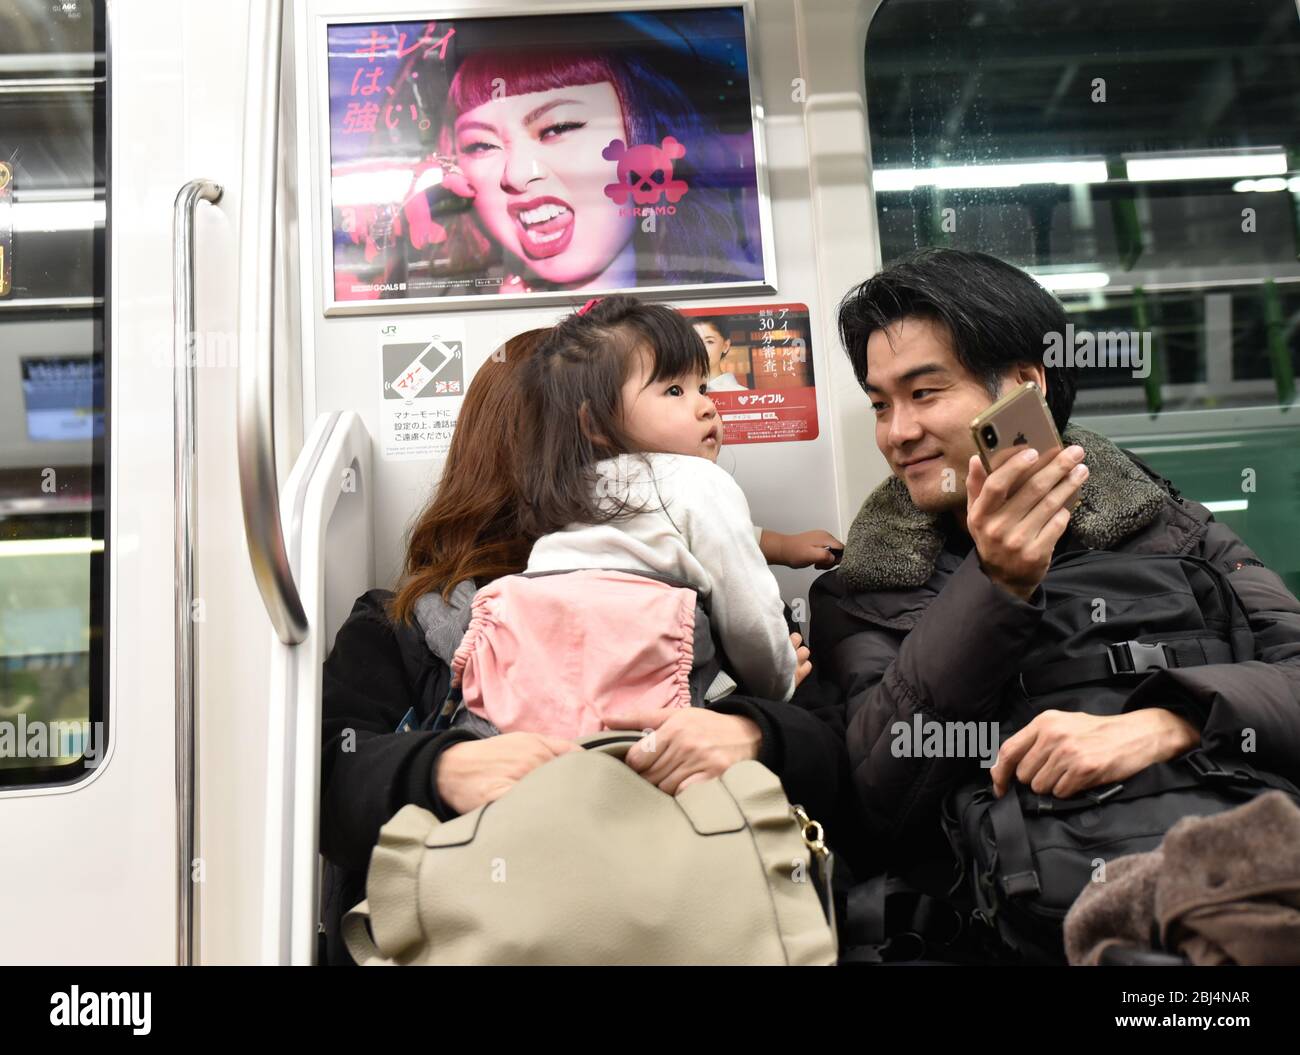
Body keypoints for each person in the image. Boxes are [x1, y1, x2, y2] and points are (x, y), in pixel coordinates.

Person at [319, 323, 849, 965]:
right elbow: (328, 795)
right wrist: (440, 769)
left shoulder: (702, 593)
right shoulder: (399, 625)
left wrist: (754, 733)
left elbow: (838, 760)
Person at [810, 247, 1300, 895]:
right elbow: (880, 801)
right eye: (880, 404)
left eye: (924, 393)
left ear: (1025, 387)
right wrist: (994, 586)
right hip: (1015, 915)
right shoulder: (867, 585)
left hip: (1234, 883)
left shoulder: (1172, 528)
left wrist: (1170, 720)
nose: (897, 432)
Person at [446, 296, 819, 742]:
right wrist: (777, 681)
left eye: (705, 388)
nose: (706, 407)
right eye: (674, 391)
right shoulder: (700, 480)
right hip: (650, 677)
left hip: (535, 669)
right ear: (596, 423)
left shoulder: (571, 489)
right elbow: (747, 610)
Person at [692, 317, 750, 392]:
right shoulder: (682, 391)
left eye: (709, 341)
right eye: (694, 341)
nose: (700, 348)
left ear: (725, 346)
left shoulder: (740, 392)